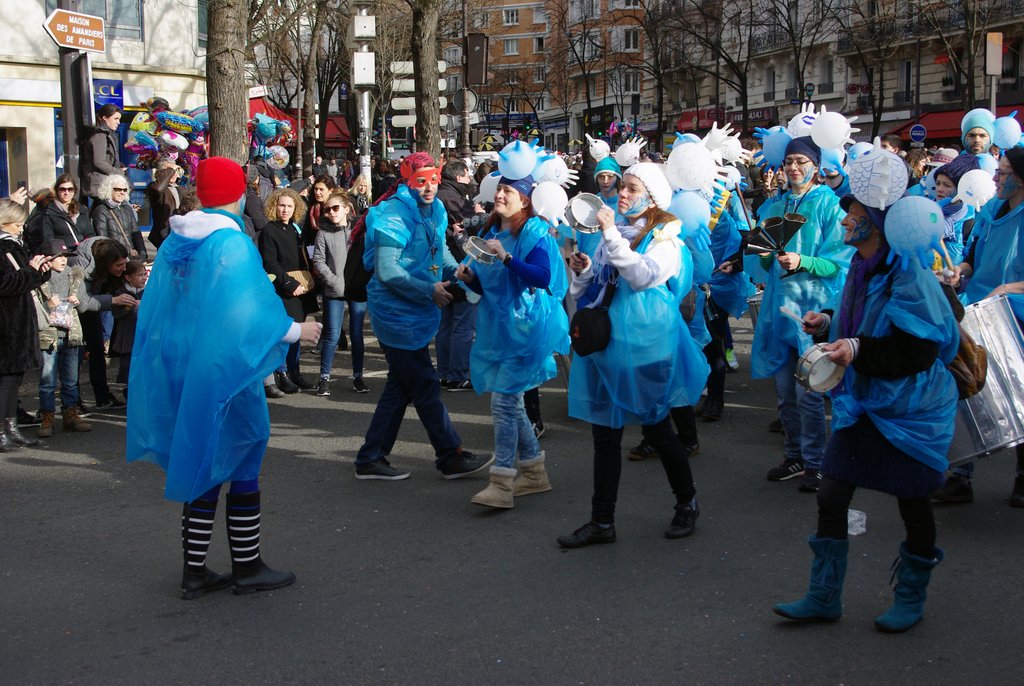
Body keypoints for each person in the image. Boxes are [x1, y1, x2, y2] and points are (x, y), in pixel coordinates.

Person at [127, 156, 321, 599]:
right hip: (222, 365)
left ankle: (194, 572)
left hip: (182, 360)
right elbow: (243, 312)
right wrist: (296, 330)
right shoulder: (230, 242)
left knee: (202, 457)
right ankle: (247, 566)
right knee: (244, 457)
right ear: (238, 193)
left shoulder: (178, 238)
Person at [773, 194, 958, 633]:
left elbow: (918, 350)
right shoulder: (860, 265)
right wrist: (830, 322)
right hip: (866, 405)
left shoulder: (911, 276)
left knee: (913, 501)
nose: (845, 220)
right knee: (832, 494)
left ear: (875, 226)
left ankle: (910, 597)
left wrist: (857, 348)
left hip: (910, 413)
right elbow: (866, 321)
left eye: (854, 216)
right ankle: (823, 597)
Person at [558, 163, 709, 548]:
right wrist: (585, 270)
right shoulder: (620, 233)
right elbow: (596, 290)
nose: (621, 194)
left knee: (657, 428)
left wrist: (609, 234)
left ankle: (687, 502)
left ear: (653, 198)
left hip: (646, 345)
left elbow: (642, 276)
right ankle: (602, 520)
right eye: (621, 187)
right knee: (605, 435)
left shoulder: (668, 239)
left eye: (630, 188)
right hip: (609, 345)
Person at [353, 152, 490, 481]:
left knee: (400, 387)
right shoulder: (393, 215)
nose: (428, 187)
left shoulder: (437, 208)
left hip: (416, 312)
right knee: (426, 385)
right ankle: (449, 455)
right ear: (406, 179)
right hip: (394, 314)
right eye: (420, 181)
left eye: (433, 179)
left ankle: (371, 457)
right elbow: (387, 270)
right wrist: (429, 291)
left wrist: (457, 271)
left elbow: (436, 249)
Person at [454, 175, 569, 508]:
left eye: (509, 191)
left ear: (526, 200)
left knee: (503, 403)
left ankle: (502, 483)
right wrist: (470, 279)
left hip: (527, 328)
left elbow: (543, 277)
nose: (501, 194)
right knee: (511, 403)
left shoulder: (535, 232)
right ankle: (534, 474)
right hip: (498, 328)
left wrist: (507, 258)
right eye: (500, 189)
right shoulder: (491, 233)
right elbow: (492, 288)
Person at [748, 136, 854, 492]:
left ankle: (815, 463)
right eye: (790, 160)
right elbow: (762, 258)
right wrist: (765, 254)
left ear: (816, 165)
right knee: (783, 392)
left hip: (813, 312)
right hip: (779, 309)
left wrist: (803, 260)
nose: (794, 167)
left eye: (801, 161)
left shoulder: (829, 205)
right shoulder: (775, 206)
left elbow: (839, 262)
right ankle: (793, 454)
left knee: (810, 393)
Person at [934, 147, 1024, 506]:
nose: (997, 179)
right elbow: (973, 256)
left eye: (1003, 173)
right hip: (980, 310)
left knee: (1018, 396)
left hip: (1016, 313)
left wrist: (1010, 288)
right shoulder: (990, 212)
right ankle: (960, 476)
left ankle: (1022, 476)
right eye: (998, 172)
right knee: (966, 389)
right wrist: (960, 273)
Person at [0, 198, 52, 451]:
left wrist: (42, 270)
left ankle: (11, 427)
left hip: (19, 320)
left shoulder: (14, 245)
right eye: (17, 224)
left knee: (14, 378)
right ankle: (2, 430)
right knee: (6, 379)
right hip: (6, 322)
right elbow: (7, 284)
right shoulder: (2, 248)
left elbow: (25, 280)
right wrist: (30, 271)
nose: (21, 229)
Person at [259, 188, 319, 393]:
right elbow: (270, 263)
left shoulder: (295, 228)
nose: (285, 210)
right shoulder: (269, 230)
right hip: (283, 288)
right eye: (281, 205)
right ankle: (281, 373)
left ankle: (295, 372)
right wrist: (290, 284)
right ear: (274, 206)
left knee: (297, 333)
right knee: (284, 333)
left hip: (300, 287)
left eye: (289, 206)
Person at [33, 239, 92, 436]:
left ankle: (71, 414)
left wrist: (77, 300)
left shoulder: (73, 276)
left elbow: (83, 303)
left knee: (70, 379)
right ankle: (47, 418)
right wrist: (46, 304)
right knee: (47, 380)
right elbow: (31, 305)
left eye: (66, 257)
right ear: (47, 259)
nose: (64, 261)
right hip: (49, 334)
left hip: (71, 333)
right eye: (59, 257)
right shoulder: (38, 278)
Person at [71, 237, 135, 410]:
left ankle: (103, 396)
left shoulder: (113, 254)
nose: (123, 269)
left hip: (96, 304)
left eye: (124, 264)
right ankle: (72, 401)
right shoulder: (82, 266)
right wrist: (113, 300)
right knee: (76, 354)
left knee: (97, 350)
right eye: (118, 266)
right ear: (105, 264)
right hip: (74, 311)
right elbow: (82, 301)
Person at [436, 159, 481, 392]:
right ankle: (457, 375)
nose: (470, 178)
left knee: (446, 324)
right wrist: (479, 214)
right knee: (463, 324)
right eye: (468, 174)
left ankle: (444, 372)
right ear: (460, 176)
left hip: (441, 267)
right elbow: (472, 227)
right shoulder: (453, 197)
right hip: (459, 265)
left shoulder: (439, 195)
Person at [313, 190, 364, 395]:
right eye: (327, 210)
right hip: (334, 289)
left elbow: (366, 258)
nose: (331, 213)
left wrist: (362, 280)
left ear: (346, 210)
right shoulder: (323, 233)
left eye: (335, 208)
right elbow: (319, 261)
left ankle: (358, 376)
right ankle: (324, 377)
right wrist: (333, 281)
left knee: (357, 335)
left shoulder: (358, 232)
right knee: (332, 335)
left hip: (357, 288)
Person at [932, 155, 979, 264]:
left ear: (961, 190)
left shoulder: (969, 222)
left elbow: (970, 262)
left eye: (947, 185)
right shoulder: (924, 209)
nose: (939, 189)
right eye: (938, 183)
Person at [110, 260, 147, 397]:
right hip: (128, 338)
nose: (143, 278)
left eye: (144, 274)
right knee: (128, 367)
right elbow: (116, 314)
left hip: (144, 337)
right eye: (140, 275)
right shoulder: (121, 292)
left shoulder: (148, 292)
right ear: (128, 277)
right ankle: (129, 393)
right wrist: (128, 306)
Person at [91, 173, 147, 259]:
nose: (122, 192)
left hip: (131, 256)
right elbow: (103, 239)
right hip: (114, 258)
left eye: (124, 190)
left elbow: (136, 233)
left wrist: (143, 253)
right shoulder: (101, 210)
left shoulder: (127, 208)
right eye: (118, 189)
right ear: (109, 190)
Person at [27, 174, 86, 255]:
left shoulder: (81, 210)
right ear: (41, 200)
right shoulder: (41, 216)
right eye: (49, 197)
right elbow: (45, 242)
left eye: (70, 189)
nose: (53, 199)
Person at [81, 103, 123, 204]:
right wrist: (118, 172)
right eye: (115, 118)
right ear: (104, 118)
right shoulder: (100, 136)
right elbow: (99, 162)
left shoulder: (106, 135)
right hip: (100, 184)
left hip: (102, 182)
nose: (118, 122)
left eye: (119, 119)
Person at [145, 159, 182, 250]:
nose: (173, 173)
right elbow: (159, 188)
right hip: (164, 234)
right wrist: (171, 169)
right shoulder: (153, 187)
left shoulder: (181, 189)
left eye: (175, 171)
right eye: (169, 170)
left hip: (180, 233)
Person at [302, 175, 337, 246]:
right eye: (316, 189)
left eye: (321, 189)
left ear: (330, 191)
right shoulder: (312, 208)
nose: (317, 193)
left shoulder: (336, 210)